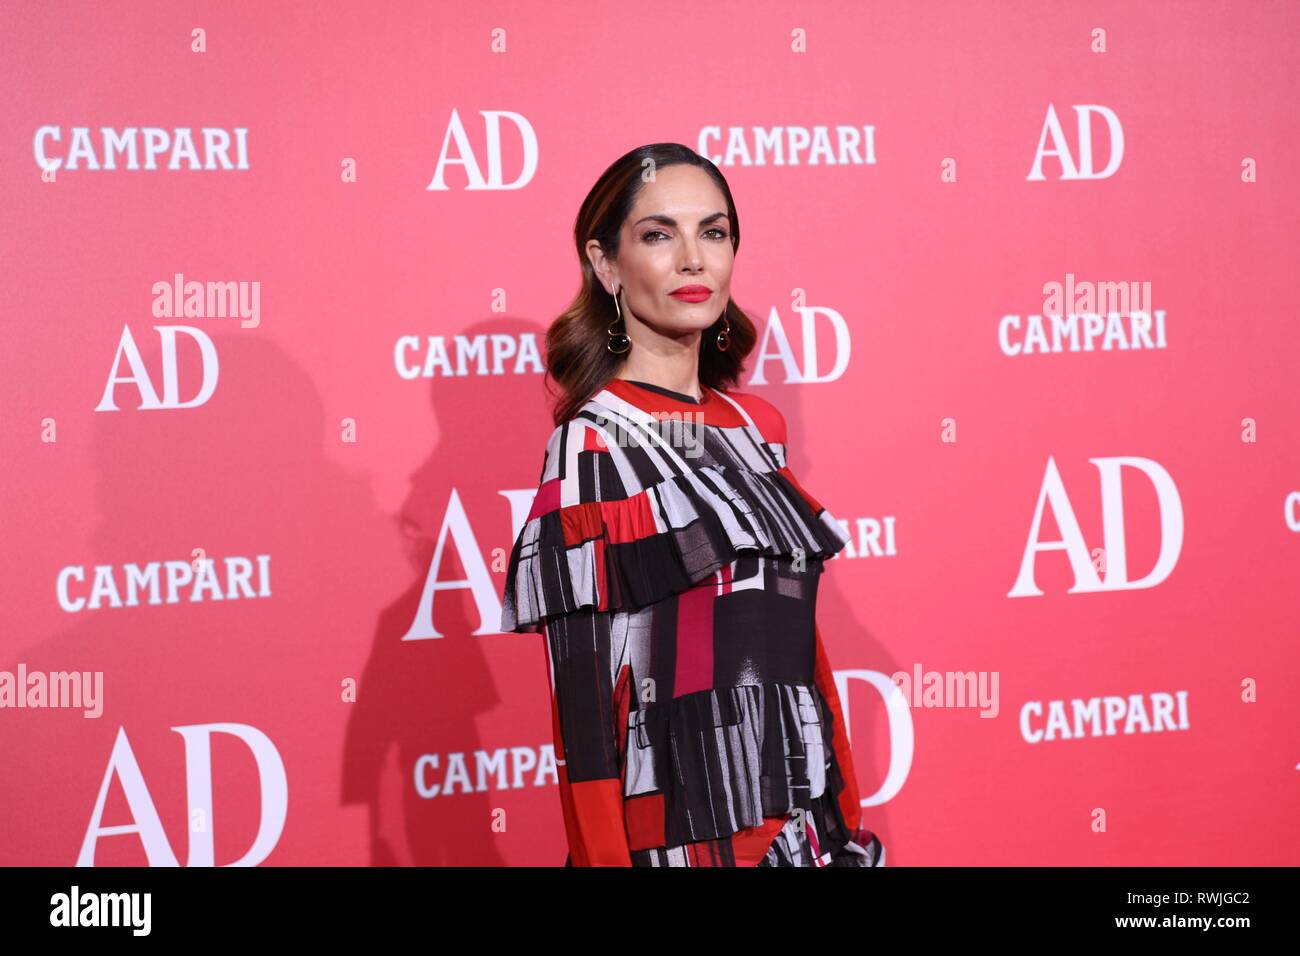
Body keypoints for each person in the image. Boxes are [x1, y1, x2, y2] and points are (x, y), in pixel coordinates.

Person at [500, 143, 885, 867]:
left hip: (799, 832)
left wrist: (842, 820)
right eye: (657, 234)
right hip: (683, 840)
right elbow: (584, 716)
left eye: (713, 232)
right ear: (607, 265)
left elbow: (803, 658)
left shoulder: (754, 426)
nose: (692, 259)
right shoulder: (593, 445)